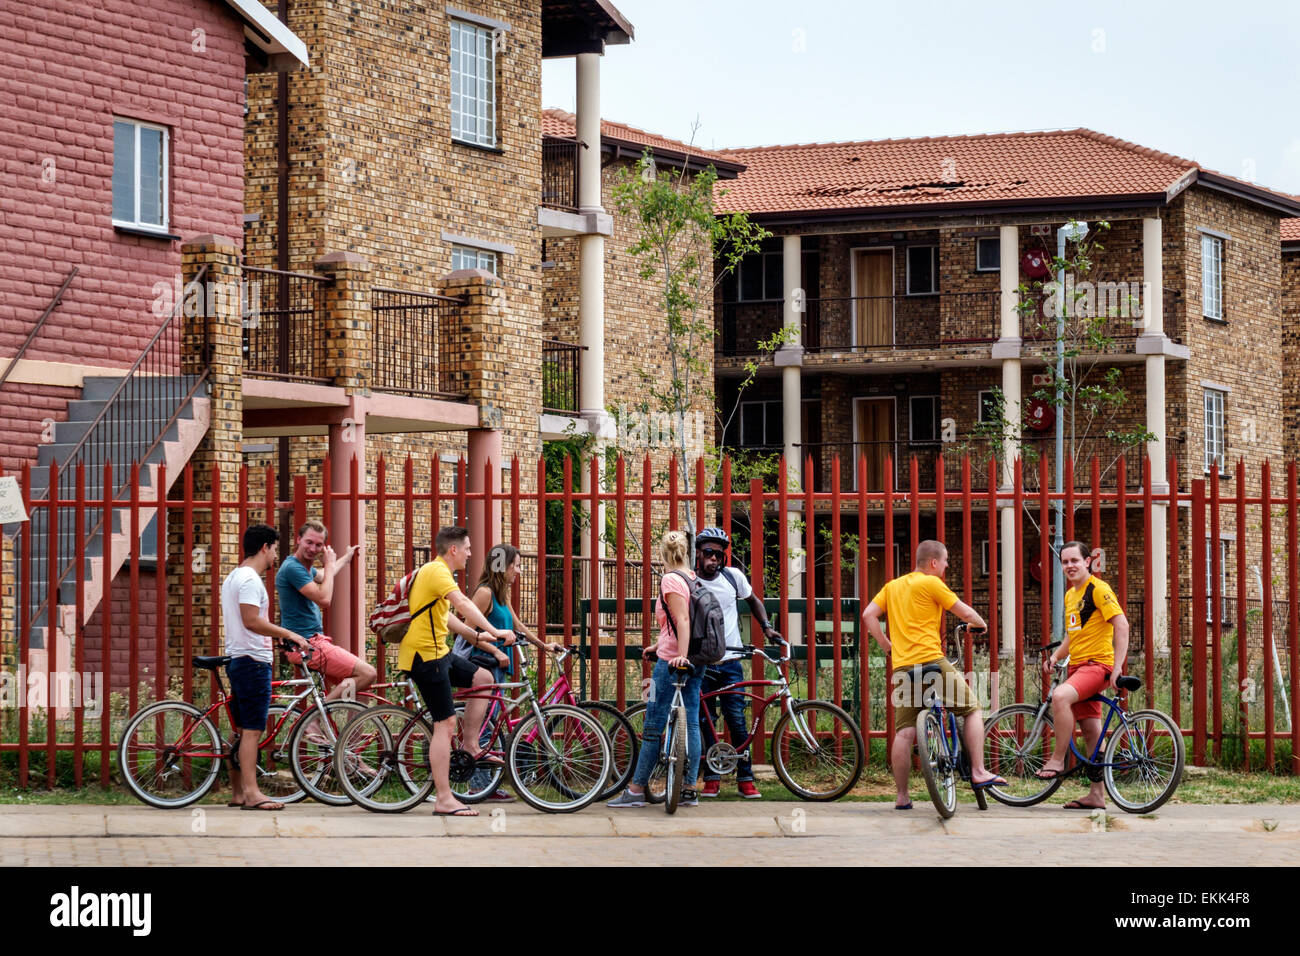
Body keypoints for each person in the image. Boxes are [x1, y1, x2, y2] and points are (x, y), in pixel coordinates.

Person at [861, 539, 1005, 810]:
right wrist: (981, 624)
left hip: (903, 667)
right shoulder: (931, 583)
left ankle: (902, 796)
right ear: (933, 562)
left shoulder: (892, 587)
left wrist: (886, 645)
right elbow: (964, 611)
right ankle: (978, 770)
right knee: (972, 708)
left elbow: (869, 614)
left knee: (904, 733)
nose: (947, 566)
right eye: (946, 561)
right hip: (931, 661)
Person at [398, 525, 515, 817]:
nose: (471, 553)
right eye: (468, 548)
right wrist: (494, 630)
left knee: (484, 678)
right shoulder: (437, 571)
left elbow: (447, 617)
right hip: (425, 656)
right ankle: (444, 798)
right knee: (445, 723)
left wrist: (477, 637)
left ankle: (471, 744)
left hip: (440, 653)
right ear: (454, 550)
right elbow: (462, 604)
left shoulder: (437, 574)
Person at [452, 542, 563, 802]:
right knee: (481, 727)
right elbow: (468, 632)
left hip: (496, 666)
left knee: (490, 726)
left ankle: (487, 786)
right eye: (517, 565)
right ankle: (477, 787)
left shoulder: (501, 595)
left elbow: (517, 625)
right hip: (481, 666)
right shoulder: (485, 593)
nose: (519, 571)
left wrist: (543, 645)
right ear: (503, 567)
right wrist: (497, 652)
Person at [608, 530, 704, 808]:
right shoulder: (693, 578)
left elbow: (683, 620)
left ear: (663, 555)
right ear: (686, 552)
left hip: (672, 664)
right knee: (693, 723)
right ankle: (688, 790)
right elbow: (675, 626)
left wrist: (679, 656)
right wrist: (659, 644)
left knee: (652, 725)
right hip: (694, 660)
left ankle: (636, 791)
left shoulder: (671, 580)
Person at [221, 523, 312, 811]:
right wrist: (288, 634)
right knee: (251, 731)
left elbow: (248, 625)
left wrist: (274, 639)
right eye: (274, 549)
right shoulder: (249, 580)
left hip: (241, 658)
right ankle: (252, 794)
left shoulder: (234, 576)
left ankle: (238, 793)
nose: (276, 556)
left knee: (239, 730)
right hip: (252, 663)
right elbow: (251, 620)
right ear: (265, 547)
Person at [1036, 541, 1130, 810]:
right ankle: (1096, 795)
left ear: (1088, 561)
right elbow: (1072, 634)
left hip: (1096, 666)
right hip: (1078, 666)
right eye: (1065, 562)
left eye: (1075, 560)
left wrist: (1117, 666)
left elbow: (1121, 624)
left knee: (1060, 696)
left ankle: (1057, 759)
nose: (1069, 566)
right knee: (1091, 732)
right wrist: (1055, 657)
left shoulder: (1098, 590)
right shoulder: (1070, 595)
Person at [691, 527, 783, 799]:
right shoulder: (689, 581)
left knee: (736, 719)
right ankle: (711, 777)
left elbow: (753, 600)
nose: (714, 559)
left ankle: (745, 777)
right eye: (708, 553)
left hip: (730, 661)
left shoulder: (733, 578)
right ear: (698, 553)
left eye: (719, 554)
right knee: (704, 722)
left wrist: (766, 627)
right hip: (702, 662)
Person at [275, 519, 376, 702]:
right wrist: (329, 564)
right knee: (367, 673)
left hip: (310, 643)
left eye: (318, 545)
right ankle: (315, 716)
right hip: (307, 644)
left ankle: (320, 718)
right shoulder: (293, 568)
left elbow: (323, 576)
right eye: (309, 542)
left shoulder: (305, 568)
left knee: (348, 684)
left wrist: (345, 558)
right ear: (298, 539)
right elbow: (324, 599)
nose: (313, 549)